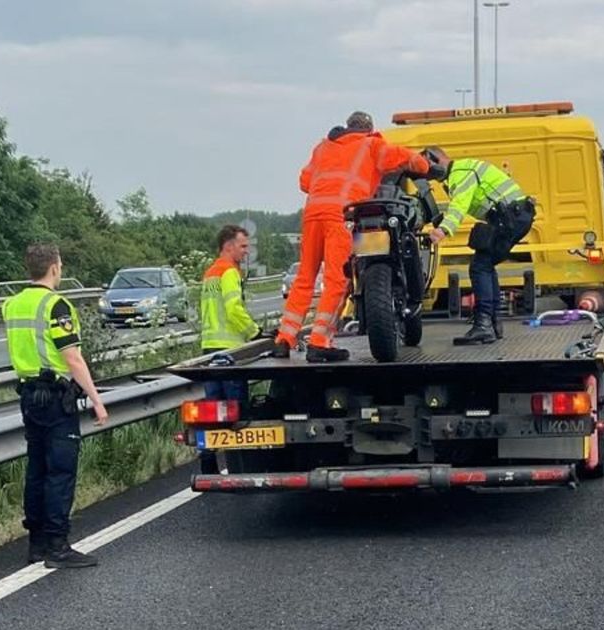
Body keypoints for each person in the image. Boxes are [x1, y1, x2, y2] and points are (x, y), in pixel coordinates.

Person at [274, 111, 431, 362]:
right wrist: (425, 166)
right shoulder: (372, 144)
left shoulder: (323, 147)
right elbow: (408, 160)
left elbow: (305, 181)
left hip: (313, 213)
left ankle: (284, 339)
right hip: (344, 216)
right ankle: (319, 342)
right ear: (368, 129)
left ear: (347, 127)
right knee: (338, 279)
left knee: (305, 277)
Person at [2, 243, 108, 569]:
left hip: (29, 397)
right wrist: (97, 400)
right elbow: (72, 358)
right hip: (56, 398)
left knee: (37, 469)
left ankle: (36, 544)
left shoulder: (11, 304)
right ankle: (58, 547)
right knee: (60, 471)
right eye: (60, 265)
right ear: (54, 268)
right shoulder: (57, 306)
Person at [423, 146, 536, 345]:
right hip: (512, 216)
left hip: (509, 217)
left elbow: (460, 205)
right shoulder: (462, 172)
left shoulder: (461, 173)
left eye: (428, 167)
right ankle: (491, 322)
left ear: (436, 158)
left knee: (480, 266)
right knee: (485, 263)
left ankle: (484, 325)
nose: (429, 174)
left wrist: (442, 230)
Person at [198, 224, 261, 473]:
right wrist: (254, 332)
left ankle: (208, 464)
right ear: (228, 246)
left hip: (209, 348)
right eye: (243, 246)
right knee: (236, 413)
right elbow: (234, 308)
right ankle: (239, 468)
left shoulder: (210, 272)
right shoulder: (229, 272)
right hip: (231, 349)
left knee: (213, 410)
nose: (246, 251)